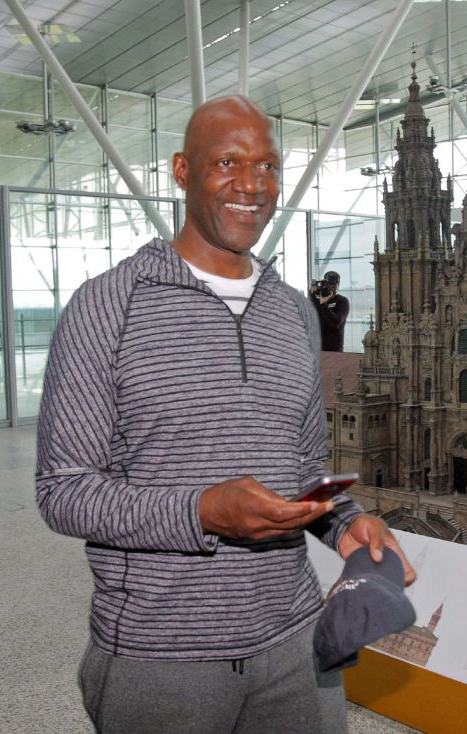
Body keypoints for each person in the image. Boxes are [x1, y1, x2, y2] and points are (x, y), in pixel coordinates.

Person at [35, 95, 414, 734]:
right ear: (183, 171)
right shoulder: (107, 307)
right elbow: (63, 492)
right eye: (228, 162)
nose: (252, 186)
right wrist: (203, 511)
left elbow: (300, 465)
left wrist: (341, 522)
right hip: (159, 658)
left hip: (296, 642)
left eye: (267, 167)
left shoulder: (293, 312)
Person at [311, 270, 349, 352]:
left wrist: (323, 304)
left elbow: (336, 323)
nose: (334, 287)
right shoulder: (318, 301)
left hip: (334, 351)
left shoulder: (342, 301)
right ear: (325, 285)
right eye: (331, 284)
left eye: (336, 284)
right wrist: (313, 297)